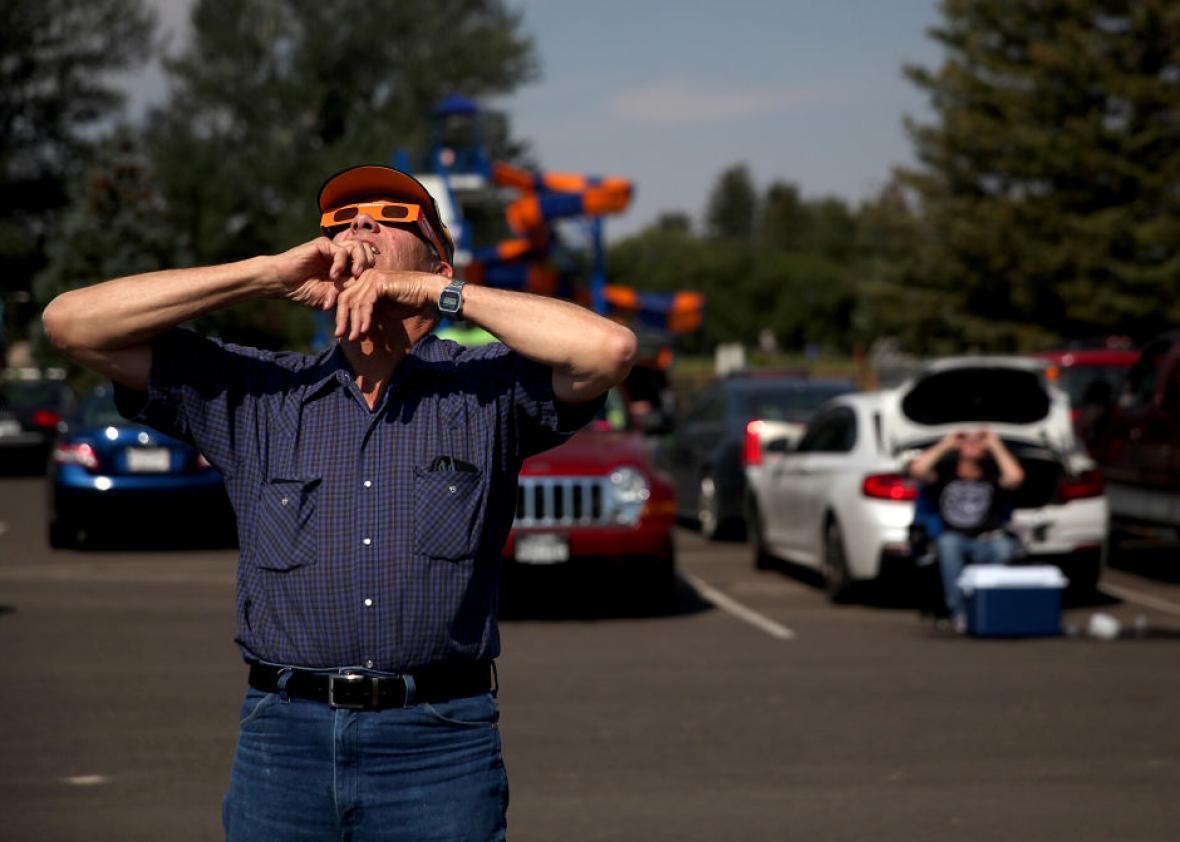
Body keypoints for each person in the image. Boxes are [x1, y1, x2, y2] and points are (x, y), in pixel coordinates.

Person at [42, 164, 637, 841]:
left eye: (392, 217)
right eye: (340, 221)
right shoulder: (257, 392)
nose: (359, 225)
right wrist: (265, 274)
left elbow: (607, 349)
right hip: (283, 742)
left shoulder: (487, 389)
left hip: (439, 746)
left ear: (437, 261)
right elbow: (72, 324)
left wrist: (436, 294)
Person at [908, 428, 1025, 628]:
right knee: (947, 544)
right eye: (967, 441)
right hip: (955, 538)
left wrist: (995, 445)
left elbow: (1015, 478)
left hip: (988, 539)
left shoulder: (992, 477)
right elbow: (917, 470)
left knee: (1004, 548)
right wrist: (946, 444)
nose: (972, 443)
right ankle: (960, 612)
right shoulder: (946, 474)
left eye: (978, 442)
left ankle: (992, 606)